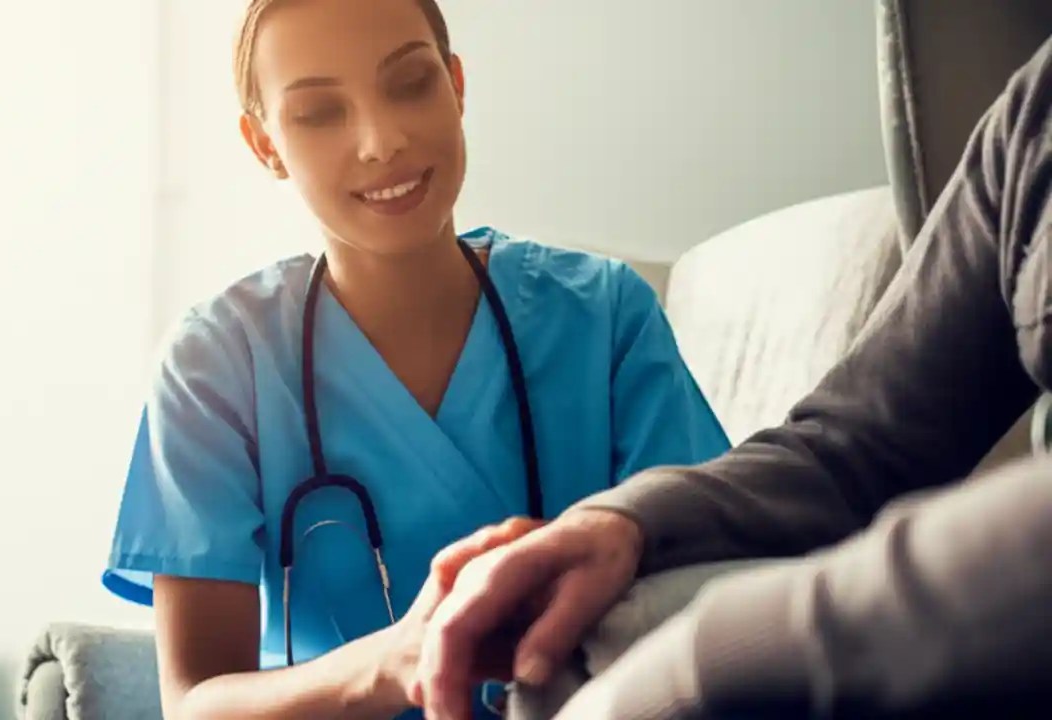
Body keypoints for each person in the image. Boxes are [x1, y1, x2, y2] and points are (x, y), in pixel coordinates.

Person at [100, 0, 730, 718]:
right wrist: (393, 663)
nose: (381, 141)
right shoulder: (214, 366)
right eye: (318, 113)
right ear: (265, 145)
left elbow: (700, 600)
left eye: (409, 85)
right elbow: (196, 704)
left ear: (456, 86)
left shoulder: (605, 317)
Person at [413, 33, 1052, 720]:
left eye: (409, 84)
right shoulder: (1032, 119)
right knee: (563, 659)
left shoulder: (598, 304)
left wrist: (708, 662)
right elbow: (855, 440)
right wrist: (622, 522)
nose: (376, 142)